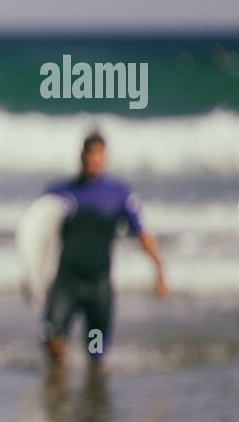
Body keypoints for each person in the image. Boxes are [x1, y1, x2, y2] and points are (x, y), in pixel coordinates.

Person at [42, 131, 169, 368]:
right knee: (52, 338)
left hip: (98, 285)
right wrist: (32, 275)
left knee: (96, 352)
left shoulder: (119, 195)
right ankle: (57, 390)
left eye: (99, 154)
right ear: (81, 156)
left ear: (105, 157)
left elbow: (142, 233)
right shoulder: (59, 193)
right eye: (90, 154)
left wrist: (159, 269)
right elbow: (37, 233)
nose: (94, 159)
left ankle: (93, 397)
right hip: (66, 282)